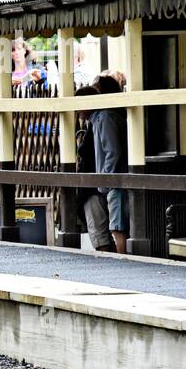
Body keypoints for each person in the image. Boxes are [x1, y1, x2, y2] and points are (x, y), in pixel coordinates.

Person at [73, 83, 113, 251]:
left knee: (99, 231)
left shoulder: (101, 120)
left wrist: (102, 180)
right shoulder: (94, 123)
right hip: (97, 183)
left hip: (95, 185)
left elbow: (112, 151)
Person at [91, 73, 128, 253]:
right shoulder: (110, 116)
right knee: (117, 224)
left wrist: (105, 179)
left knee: (117, 225)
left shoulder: (105, 117)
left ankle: (123, 260)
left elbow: (112, 151)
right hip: (115, 178)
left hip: (114, 180)